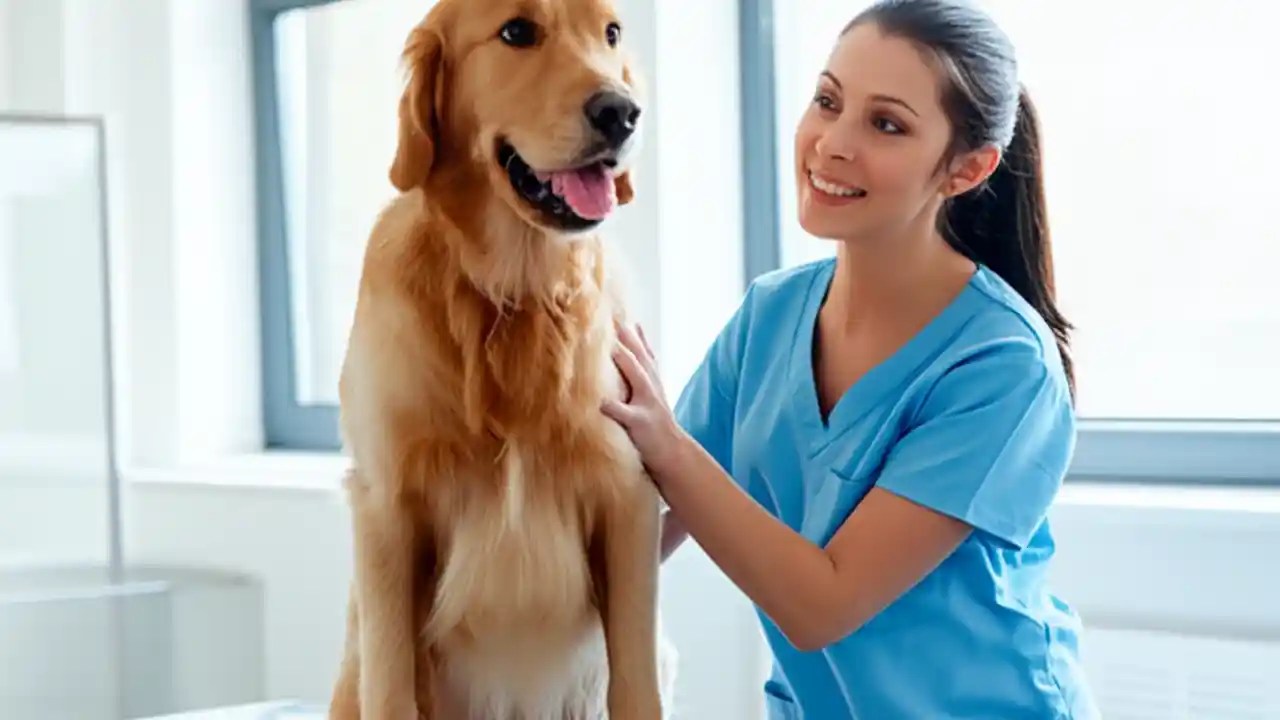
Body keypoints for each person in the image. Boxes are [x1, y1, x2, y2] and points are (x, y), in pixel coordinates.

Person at [600, 0, 1099, 718]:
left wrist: (667, 446)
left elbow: (823, 604)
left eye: (886, 124)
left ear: (966, 169)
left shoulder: (1003, 366)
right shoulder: (767, 319)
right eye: (827, 101)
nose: (832, 143)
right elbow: (636, 534)